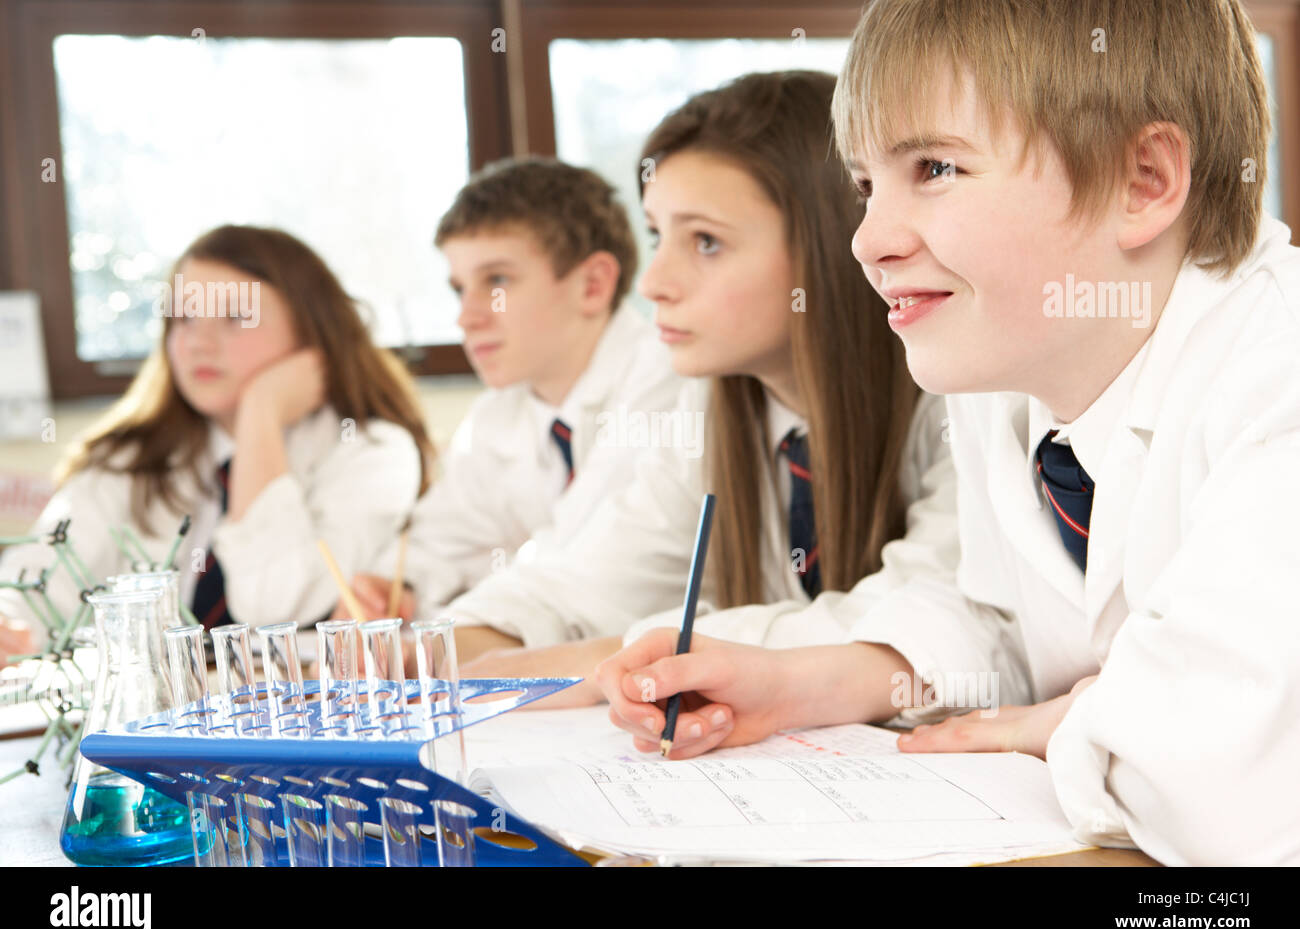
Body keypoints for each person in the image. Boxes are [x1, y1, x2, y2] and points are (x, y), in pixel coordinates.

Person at [598, 0, 1300, 865]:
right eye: (865, 185)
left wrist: (1066, 722)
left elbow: (1236, 782)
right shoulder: (1004, 374)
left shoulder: (1279, 373)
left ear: (1142, 181)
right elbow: (997, 619)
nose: (866, 241)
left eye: (933, 168)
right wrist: (794, 684)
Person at [445, 72, 958, 703]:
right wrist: (433, 653)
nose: (654, 282)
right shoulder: (712, 411)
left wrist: (643, 650)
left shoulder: (957, 396)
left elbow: (930, 624)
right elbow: (586, 580)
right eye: (658, 237)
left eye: (706, 242)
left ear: (827, 246)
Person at [0, 225, 432, 652]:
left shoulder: (372, 451)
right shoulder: (128, 457)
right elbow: (35, 580)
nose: (199, 344)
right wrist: (9, 624)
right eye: (184, 318)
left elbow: (273, 607)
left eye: (237, 317)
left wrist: (260, 413)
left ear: (312, 332)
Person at [337, 158, 681, 632]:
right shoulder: (499, 414)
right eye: (460, 289)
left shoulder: (667, 379)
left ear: (593, 285)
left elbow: (579, 563)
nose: (467, 317)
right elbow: (440, 537)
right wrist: (398, 586)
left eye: (496, 281)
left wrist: (452, 635)